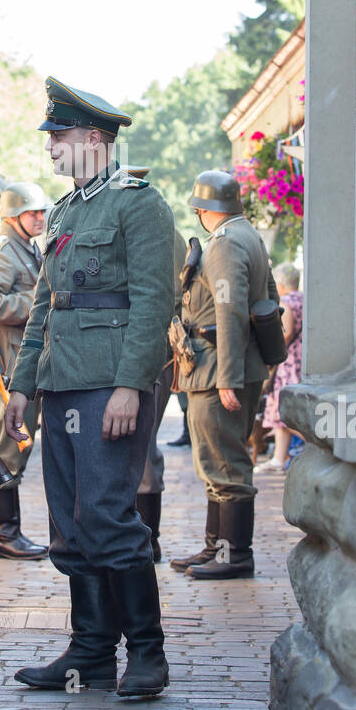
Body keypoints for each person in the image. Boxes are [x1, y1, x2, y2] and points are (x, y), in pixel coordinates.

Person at [4, 77, 175, 698]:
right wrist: (24, 384)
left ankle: (147, 655)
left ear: (97, 138)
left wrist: (133, 385)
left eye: (61, 135)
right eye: (50, 136)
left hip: (110, 385)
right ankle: (91, 652)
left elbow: (155, 303)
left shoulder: (139, 204)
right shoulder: (67, 213)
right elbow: (47, 305)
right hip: (62, 385)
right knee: (70, 524)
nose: (50, 146)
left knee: (107, 514)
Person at [169, 169, 279, 581]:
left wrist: (228, 376)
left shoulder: (226, 243)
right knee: (214, 461)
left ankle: (235, 555)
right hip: (226, 363)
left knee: (225, 465)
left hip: (219, 367)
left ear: (201, 209)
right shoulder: (247, 234)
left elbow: (229, 310)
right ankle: (216, 547)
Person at [0, 181, 52, 558]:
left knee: (16, 452)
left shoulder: (26, 247)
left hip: (22, 365)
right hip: (6, 370)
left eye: (42, 211)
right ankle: (3, 536)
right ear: (13, 216)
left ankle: (8, 534)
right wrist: (40, 301)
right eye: (32, 212)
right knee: (5, 452)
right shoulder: (4, 250)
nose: (40, 218)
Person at [124, 166, 187, 562]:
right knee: (135, 443)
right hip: (146, 347)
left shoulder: (148, 228)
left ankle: (147, 540)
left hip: (149, 348)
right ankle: (142, 537)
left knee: (141, 444)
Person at [255, 262, 303, 474]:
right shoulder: (304, 298)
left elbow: (287, 332)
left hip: (289, 360)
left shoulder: (288, 301)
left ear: (281, 284)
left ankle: (314, 441)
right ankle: (278, 458)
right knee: (283, 410)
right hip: (300, 358)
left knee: (283, 410)